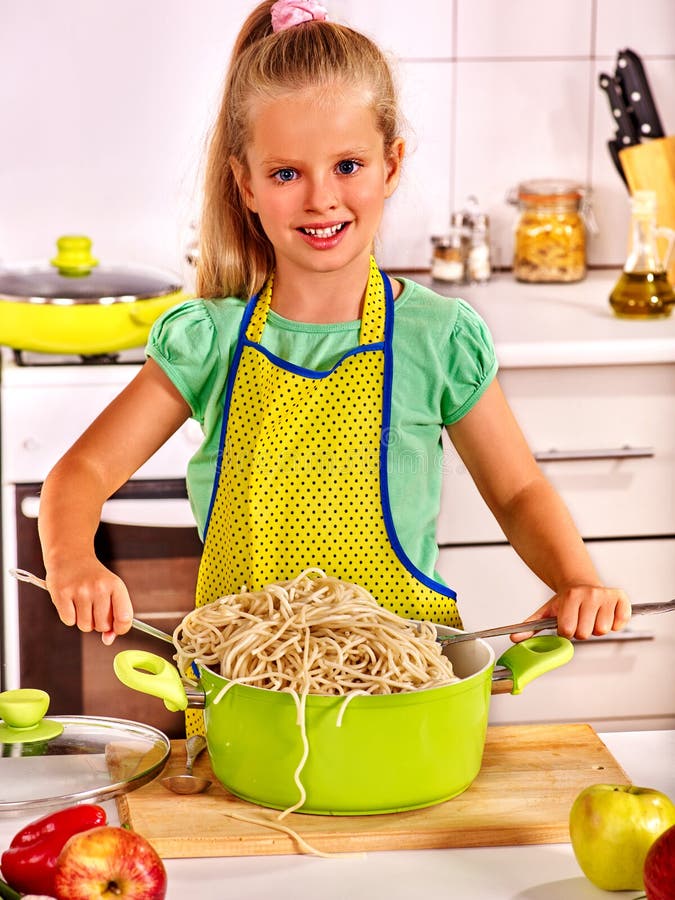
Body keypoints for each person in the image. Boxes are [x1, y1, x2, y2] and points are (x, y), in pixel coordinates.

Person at [38, 0, 630, 710]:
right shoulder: (209, 340)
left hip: (404, 696)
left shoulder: (435, 337)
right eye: (286, 174)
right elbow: (82, 472)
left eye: (347, 165)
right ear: (246, 185)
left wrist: (574, 578)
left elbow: (516, 492)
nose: (321, 199)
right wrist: (74, 560)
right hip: (243, 693)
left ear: (390, 166)